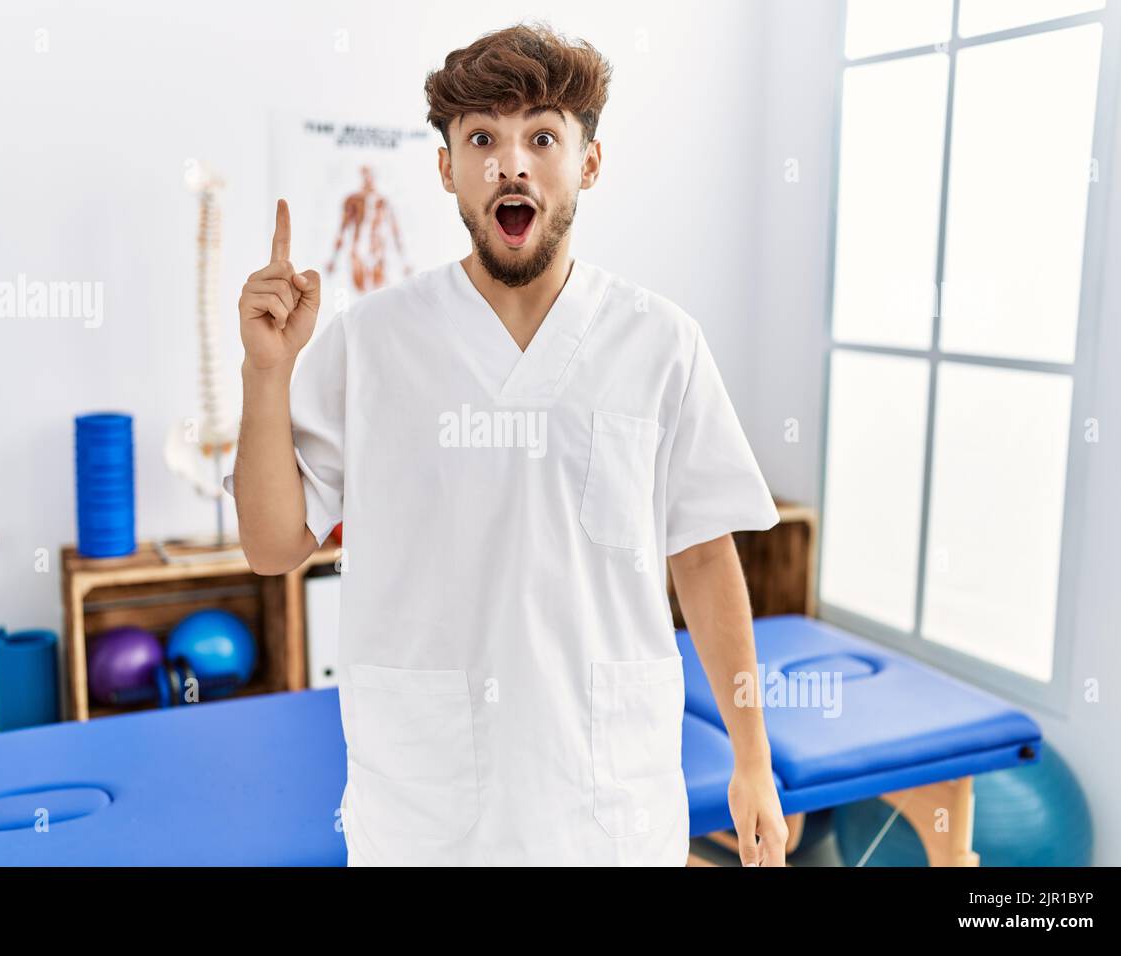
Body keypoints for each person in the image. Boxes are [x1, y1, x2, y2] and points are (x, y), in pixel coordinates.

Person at [226, 21, 789, 866]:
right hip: (425, 817)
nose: (511, 163)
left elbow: (704, 557)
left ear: (588, 164)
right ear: (447, 167)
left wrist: (752, 758)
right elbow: (272, 547)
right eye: (482, 137)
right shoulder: (372, 342)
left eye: (542, 136)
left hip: (611, 809)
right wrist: (266, 373)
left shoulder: (661, 344)